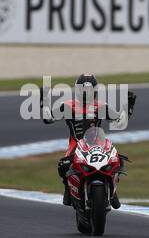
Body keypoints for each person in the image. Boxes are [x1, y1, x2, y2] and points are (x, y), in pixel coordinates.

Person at [43, 72, 135, 207]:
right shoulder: (68, 105)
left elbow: (119, 121)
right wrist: (44, 103)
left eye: (89, 90)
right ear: (78, 90)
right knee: (63, 165)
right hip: (76, 144)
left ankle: (113, 192)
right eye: (83, 90)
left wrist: (128, 106)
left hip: (98, 143)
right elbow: (48, 119)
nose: (86, 94)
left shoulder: (101, 105)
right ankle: (68, 190)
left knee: (117, 160)